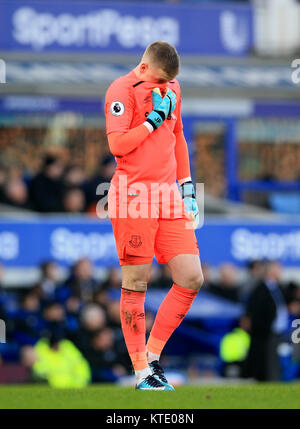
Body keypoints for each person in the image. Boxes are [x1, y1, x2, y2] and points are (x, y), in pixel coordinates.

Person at [104, 41, 203, 390]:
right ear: (144, 68)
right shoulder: (121, 89)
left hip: (168, 195)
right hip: (133, 195)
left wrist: (187, 185)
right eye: (158, 81)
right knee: (136, 283)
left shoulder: (172, 85)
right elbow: (117, 145)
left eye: (168, 83)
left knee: (191, 276)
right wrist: (151, 121)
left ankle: (153, 356)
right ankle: (141, 372)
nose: (163, 88)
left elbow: (177, 135)